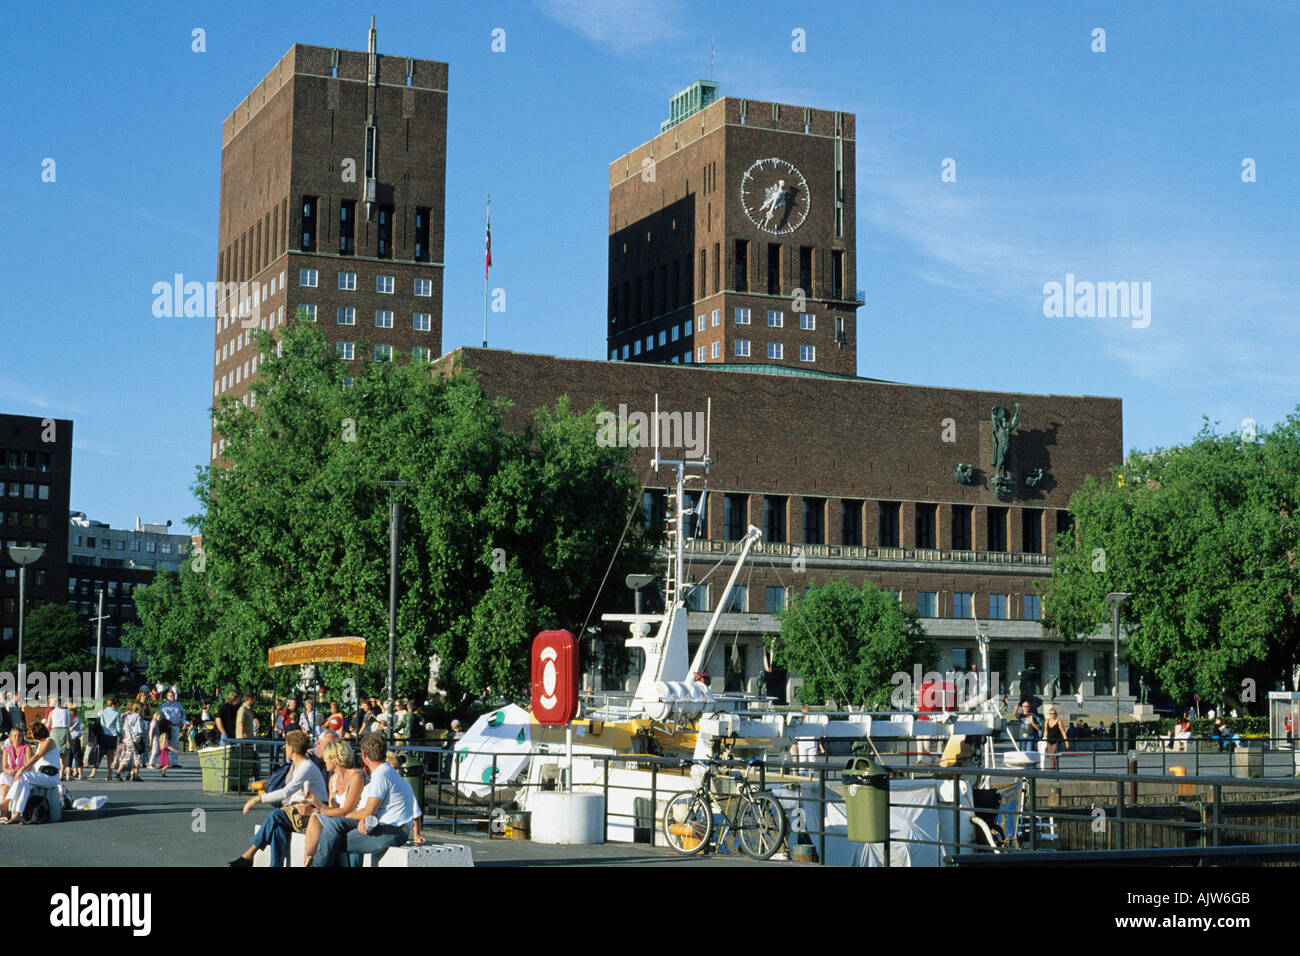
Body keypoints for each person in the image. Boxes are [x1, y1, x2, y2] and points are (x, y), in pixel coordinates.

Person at [312, 732, 420, 867]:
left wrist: (346, 814)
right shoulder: (386, 772)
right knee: (334, 828)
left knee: (333, 840)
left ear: (364, 755)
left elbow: (368, 812)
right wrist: (349, 816)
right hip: (391, 828)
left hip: (391, 831)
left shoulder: (381, 776)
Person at [228, 730, 327, 867]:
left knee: (276, 816)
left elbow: (286, 792)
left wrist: (256, 799)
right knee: (278, 827)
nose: (284, 747)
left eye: (286, 745)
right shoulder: (301, 765)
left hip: (314, 814)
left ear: (292, 749)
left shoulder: (306, 767)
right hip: (304, 809)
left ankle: (249, 853)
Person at [300, 739, 367, 866]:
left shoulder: (357, 777)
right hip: (339, 819)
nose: (323, 759)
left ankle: (317, 863)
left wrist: (315, 809)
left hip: (355, 819)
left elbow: (346, 809)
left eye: (326, 757)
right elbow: (330, 811)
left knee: (317, 815)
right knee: (315, 818)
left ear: (335, 759)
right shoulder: (333, 779)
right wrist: (315, 801)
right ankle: (308, 858)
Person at [0, 722, 60, 824]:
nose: (31, 735)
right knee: (25, 785)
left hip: (50, 776)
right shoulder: (40, 744)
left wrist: (21, 769)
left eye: (32, 732)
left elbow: (36, 757)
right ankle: (18, 814)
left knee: (22, 775)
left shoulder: (49, 741)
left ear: (38, 732)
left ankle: (6, 802)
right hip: (42, 775)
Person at [1, 727, 31, 803]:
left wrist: (19, 771)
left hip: (23, 773)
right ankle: (5, 805)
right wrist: (9, 771)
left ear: (22, 737)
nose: (17, 738)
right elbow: (4, 768)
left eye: (19, 736)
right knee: (3, 776)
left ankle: (4, 805)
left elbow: (29, 766)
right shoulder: (6, 750)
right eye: (14, 736)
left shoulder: (27, 748)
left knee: (19, 778)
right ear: (11, 737)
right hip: (12, 774)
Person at [95, 698, 121, 780]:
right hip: (112, 736)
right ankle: (109, 775)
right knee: (110, 758)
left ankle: (93, 772)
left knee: (100, 756)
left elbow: (97, 723)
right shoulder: (117, 713)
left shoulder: (101, 712)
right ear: (114, 704)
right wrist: (120, 734)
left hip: (102, 735)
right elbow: (119, 728)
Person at [46, 697, 71, 779]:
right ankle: (61, 774)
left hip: (55, 732)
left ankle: (55, 772)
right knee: (64, 755)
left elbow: (48, 724)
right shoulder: (67, 712)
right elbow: (69, 723)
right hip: (65, 731)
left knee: (54, 753)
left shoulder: (52, 712)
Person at [159, 689, 188, 759]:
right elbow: (160, 715)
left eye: (173, 696)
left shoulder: (178, 705)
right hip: (166, 726)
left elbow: (183, 713)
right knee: (164, 744)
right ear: (167, 696)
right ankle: (163, 761)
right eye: (171, 696)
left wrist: (182, 721)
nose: (172, 697)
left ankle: (174, 762)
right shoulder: (164, 705)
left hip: (175, 725)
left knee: (174, 744)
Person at [66, 703, 85, 780]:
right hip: (76, 739)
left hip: (68, 739)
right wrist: (79, 733)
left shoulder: (67, 720)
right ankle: (80, 774)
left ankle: (68, 775)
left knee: (69, 757)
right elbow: (82, 727)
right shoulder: (77, 720)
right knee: (77, 756)